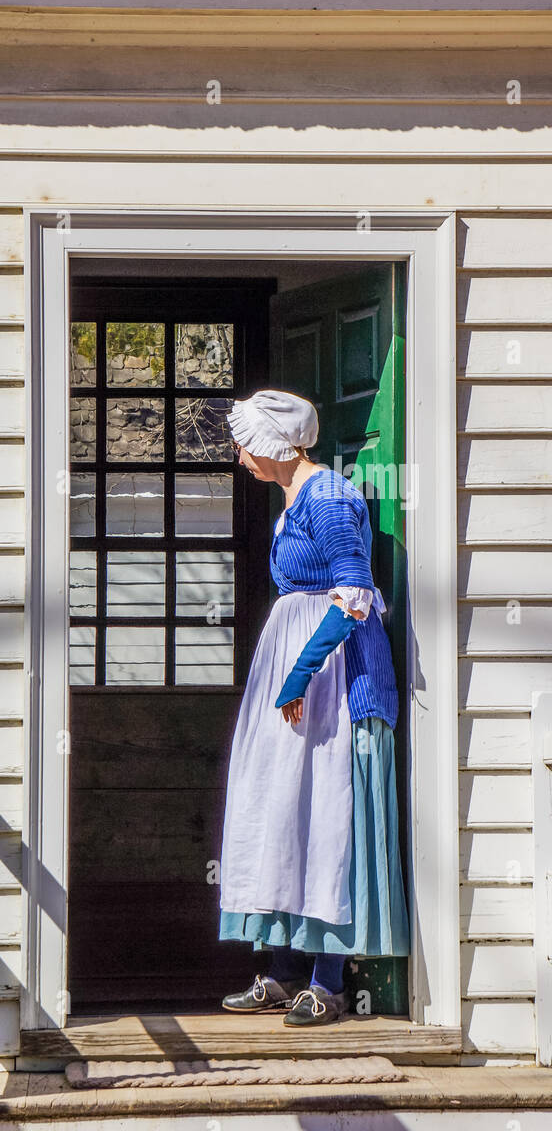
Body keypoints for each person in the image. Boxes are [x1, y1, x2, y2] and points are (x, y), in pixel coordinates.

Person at [218, 388, 409, 1027]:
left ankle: (327, 980)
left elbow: (355, 592)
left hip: (333, 674)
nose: (240, 455)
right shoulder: (293, 499)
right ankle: (278, 970)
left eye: (244, 443)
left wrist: (299, 675)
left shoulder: (328, 497)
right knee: (279, 807)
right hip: (297, 663)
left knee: (326, 814)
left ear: (270, 445)